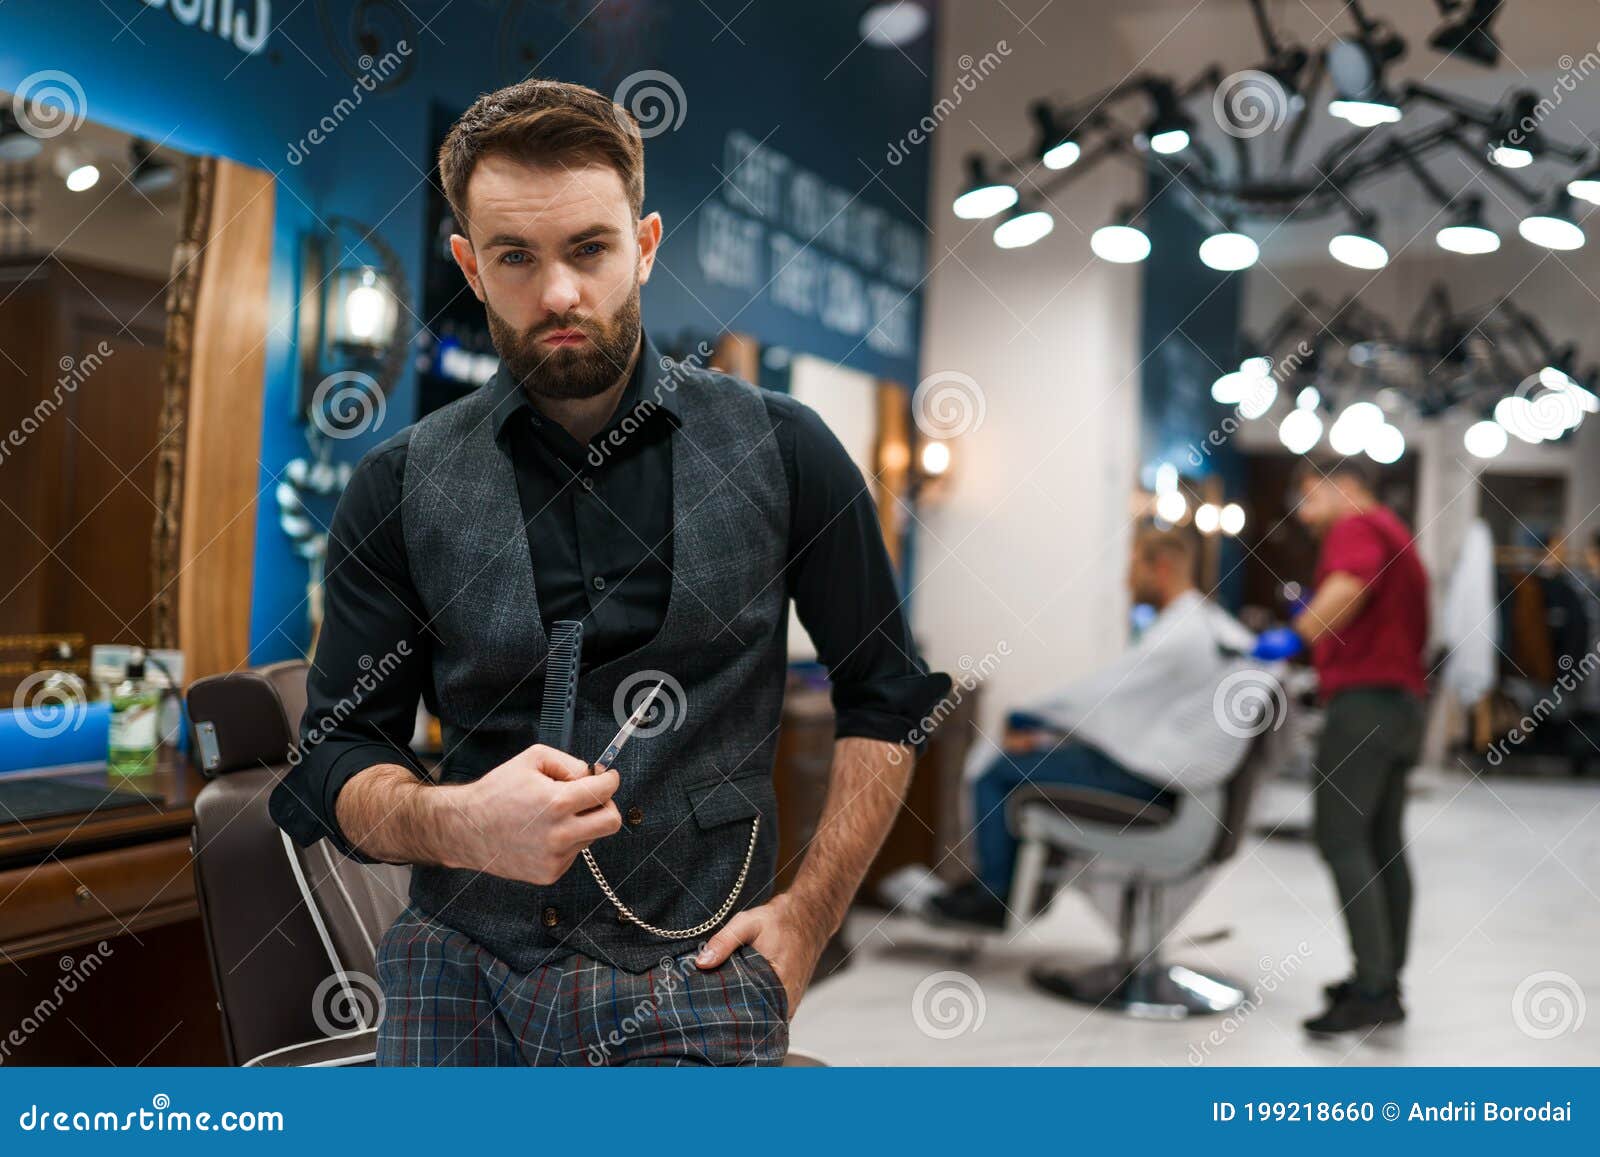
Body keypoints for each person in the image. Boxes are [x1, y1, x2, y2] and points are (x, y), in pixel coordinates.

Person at [268, 78, 949, 1067]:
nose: (557, 294)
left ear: (646, 244)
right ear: (470, 265)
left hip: (695, 970)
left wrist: (809, 917)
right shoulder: (398, 484)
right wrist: (460, 823)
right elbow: (334, 756)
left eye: (589, 248)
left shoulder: (786, 450)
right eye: (515, 256)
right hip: (456, 966)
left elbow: (889, 699)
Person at [929, 528, 1257, 930]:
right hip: (1166, 775)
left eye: (1133, 567)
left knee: (998, 768)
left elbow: (1107, 696)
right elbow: (1128, 706)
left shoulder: (1181, 634)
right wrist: (1055, 730)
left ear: (1161, 568)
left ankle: (993, 899)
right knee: (1032, 757)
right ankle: (1010, 892)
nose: (1126, 581)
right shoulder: (1203, 624)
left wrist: (1030, 717)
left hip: (1151, 783)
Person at [1257, 457, 1428, 1035]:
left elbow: (1350, 587)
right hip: (1402, 705)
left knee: (1340, 837)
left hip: (1364, 705)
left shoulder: (1358, 526)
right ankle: (1384, 981)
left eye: (1311, 498)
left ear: (1346, 488)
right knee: (1383, 844)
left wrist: (1294, 636)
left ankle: (1372, 990)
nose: (1305, 515)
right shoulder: (1396, 533)